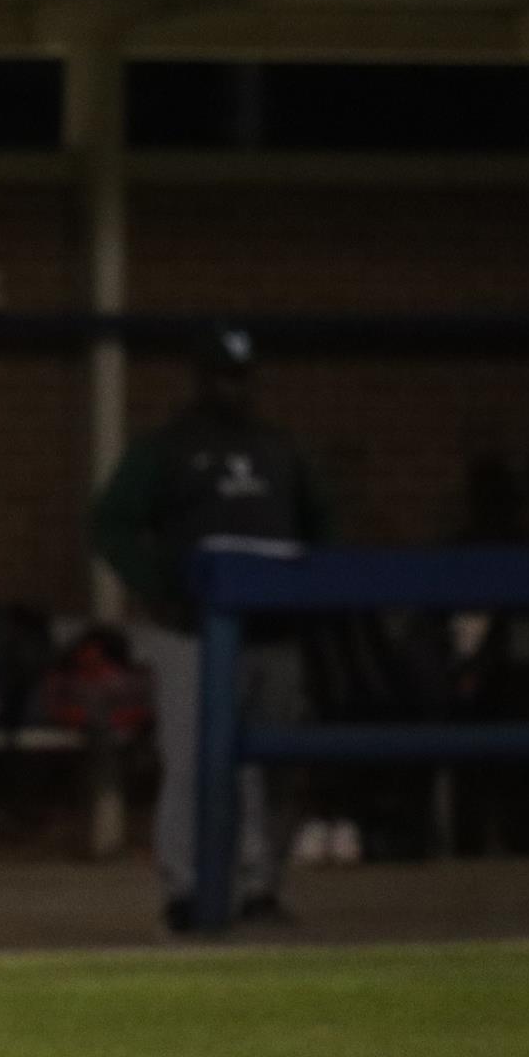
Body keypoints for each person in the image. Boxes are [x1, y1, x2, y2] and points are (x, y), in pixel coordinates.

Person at [90, 328, 332, 932]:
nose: (234, 386)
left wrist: (307, 599)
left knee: (274, 769)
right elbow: (110, 523)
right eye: (223, 374)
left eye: (242, 375)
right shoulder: (168, 448)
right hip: (194, 634)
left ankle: (260, 887)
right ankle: (188, 890)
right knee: (193, 764)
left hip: (272, 635)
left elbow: (320, 530)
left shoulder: (281, 449)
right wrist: (166, 590)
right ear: (201, 378)